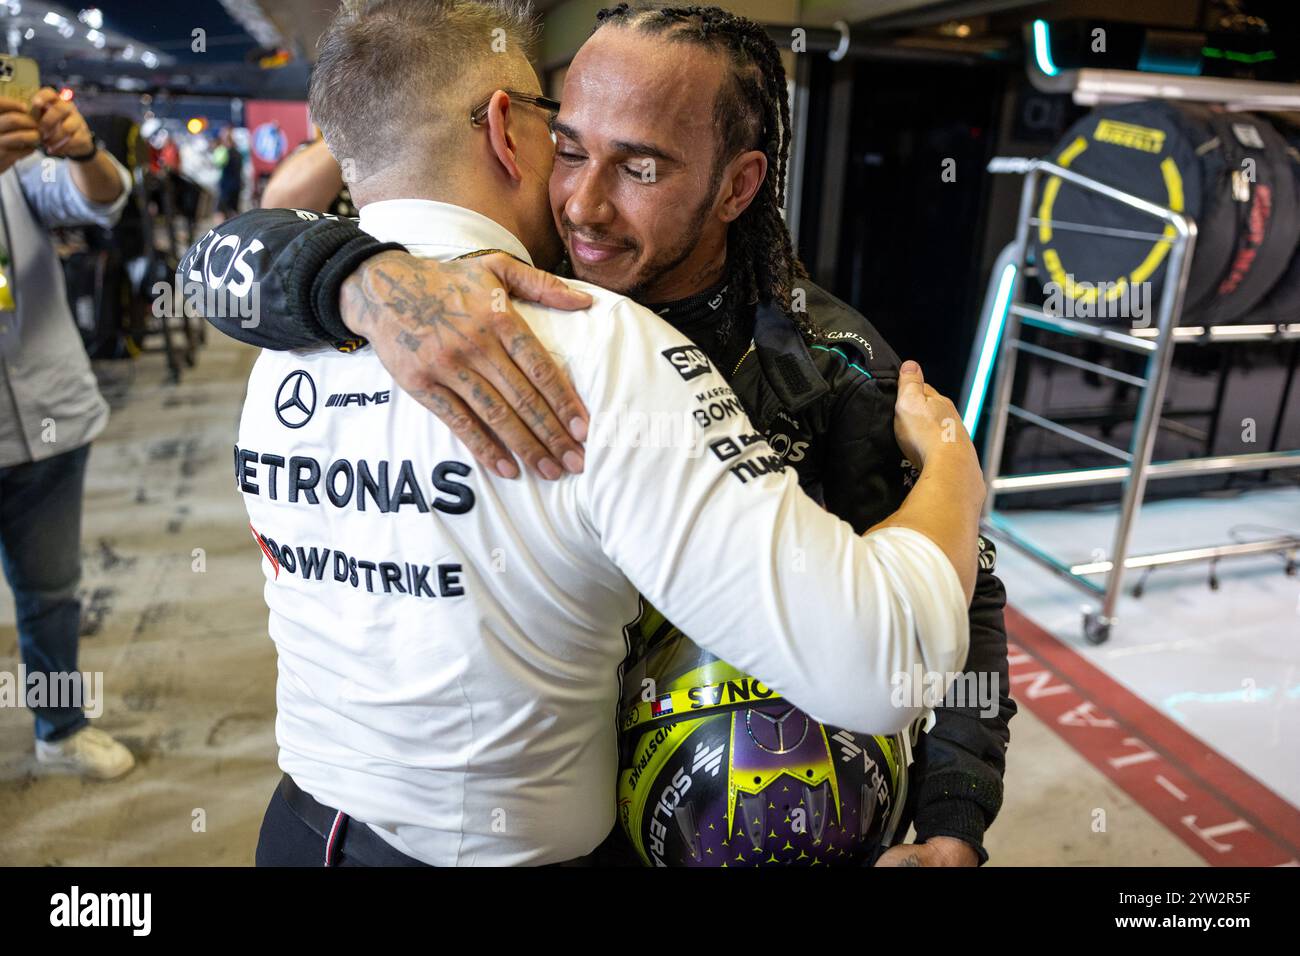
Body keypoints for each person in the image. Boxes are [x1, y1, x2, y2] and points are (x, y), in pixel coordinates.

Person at [186, 0, 1014, 866]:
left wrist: (954, 822)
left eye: (641, 169)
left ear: (737, 185)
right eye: (571, 147)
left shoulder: (825, 361)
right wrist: (359, 278)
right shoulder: (488, 288)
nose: (583, 204)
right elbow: (225, 255)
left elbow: (965, 596)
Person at [0, 86, 135, 778]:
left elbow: (103, 199)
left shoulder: (17, 155)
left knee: (51, 592)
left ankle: (59, 727)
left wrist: (82, 149)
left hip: (46, 416)